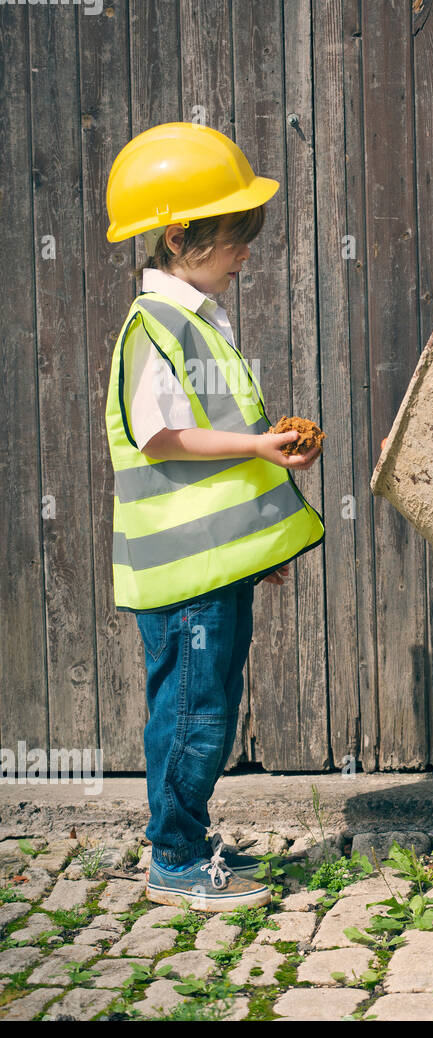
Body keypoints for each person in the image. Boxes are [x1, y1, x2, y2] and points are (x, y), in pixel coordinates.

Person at [104, 122, 326, 910]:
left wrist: (262, 476)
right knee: (194, 712)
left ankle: (188, 842)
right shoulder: (156, 325)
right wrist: (258, 447)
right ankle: (173, 859)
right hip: (185, 576)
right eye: (234, 236)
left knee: (209, 705)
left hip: (210, 566)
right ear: (178, 235)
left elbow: (211, 448)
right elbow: (160, 433)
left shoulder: (195, 317)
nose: (245, 252)